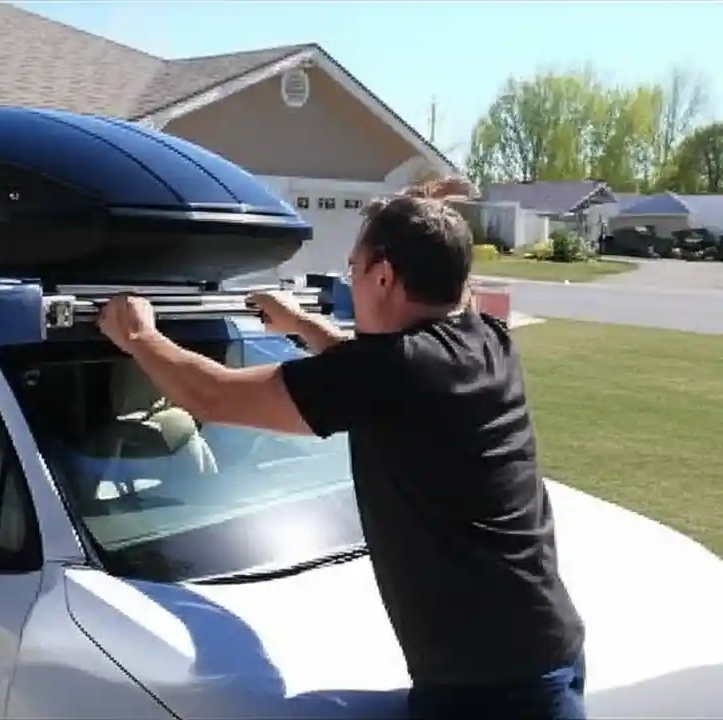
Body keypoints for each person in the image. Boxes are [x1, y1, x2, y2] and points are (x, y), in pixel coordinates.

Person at [95, 178, 587, 720]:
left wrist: (139, 336)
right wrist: (304, 323)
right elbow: (383, 376)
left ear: (384, 276)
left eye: (353, 268)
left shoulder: (390, 372)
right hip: (540, 655)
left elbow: (211, 397)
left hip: (495, 696)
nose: (348, 280)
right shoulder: (486, 337)